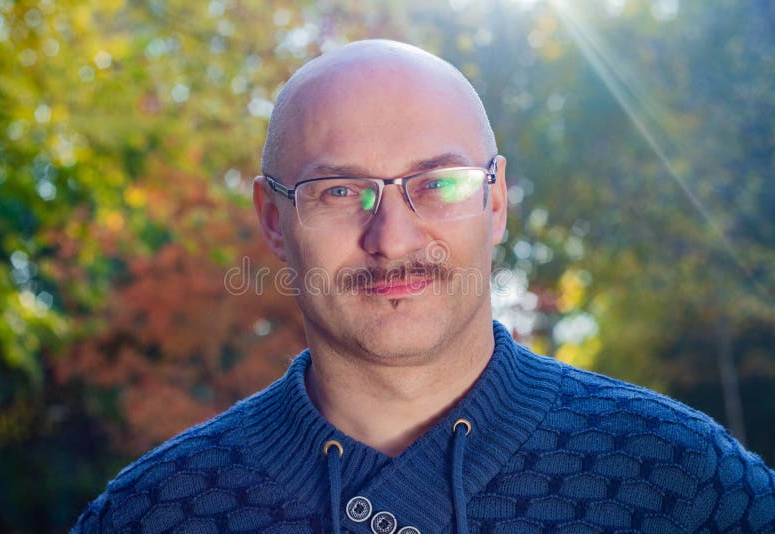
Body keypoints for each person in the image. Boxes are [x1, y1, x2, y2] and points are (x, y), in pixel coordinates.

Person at [73, 39, 775, 533]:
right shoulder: (151, 515)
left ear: (495, 203)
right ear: (273, 220)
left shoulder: (681, 482)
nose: (394, 238)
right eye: (340, 190)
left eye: (437, 184)